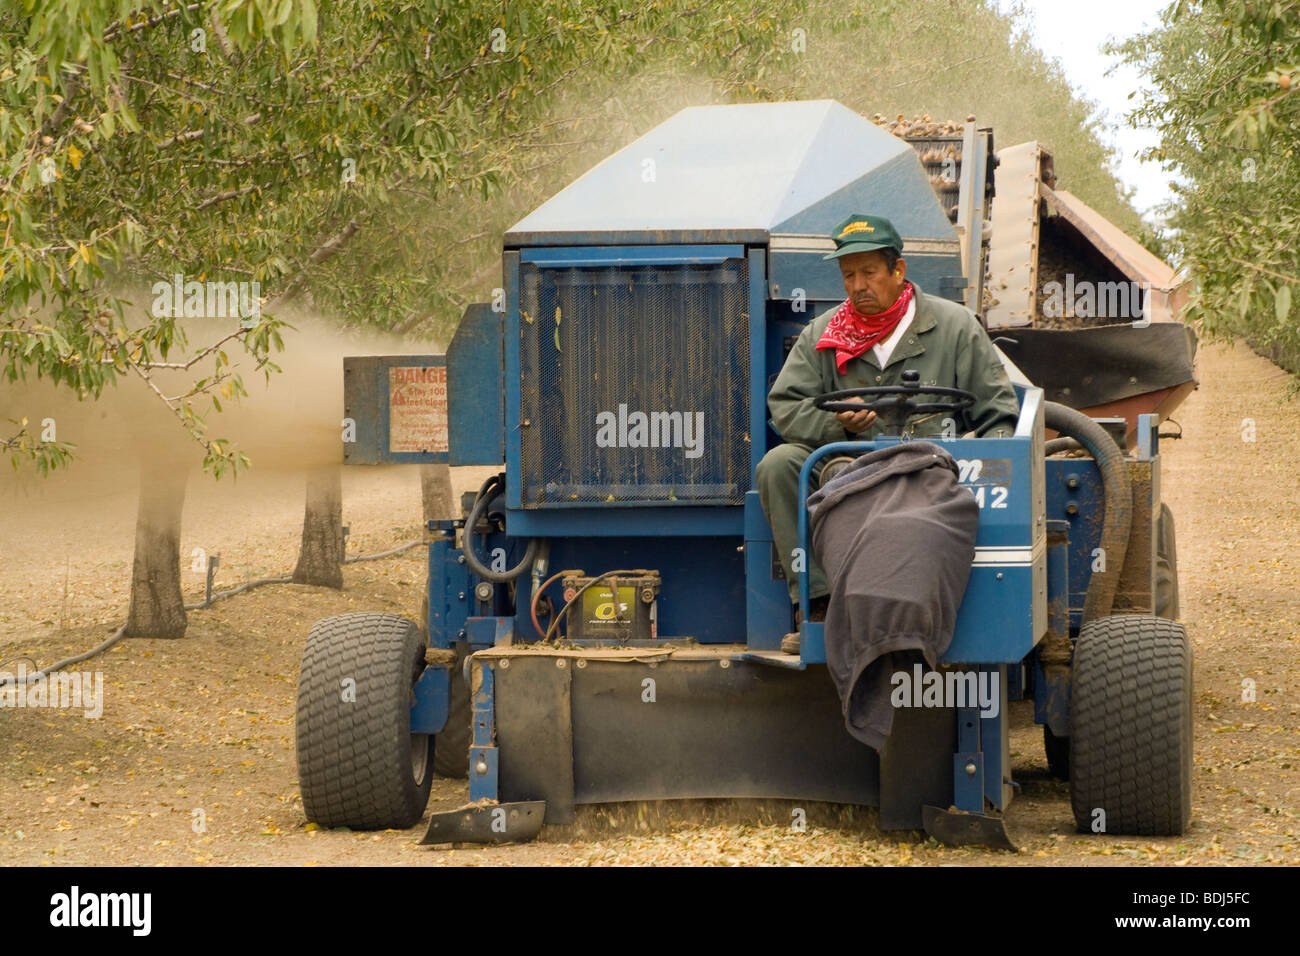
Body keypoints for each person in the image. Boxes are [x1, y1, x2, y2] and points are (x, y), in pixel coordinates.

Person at [755, 213, 1021, 653]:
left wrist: (978, 462)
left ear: (899, 271)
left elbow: (997, 414)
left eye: (869, 273)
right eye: (848, 275)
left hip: (933, 471)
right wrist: (836, 423)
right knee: (779, 465)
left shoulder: (955, 327)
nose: (858, 285)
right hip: (849, 474)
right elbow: (785, 406)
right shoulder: (822, 335)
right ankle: (819, 605)